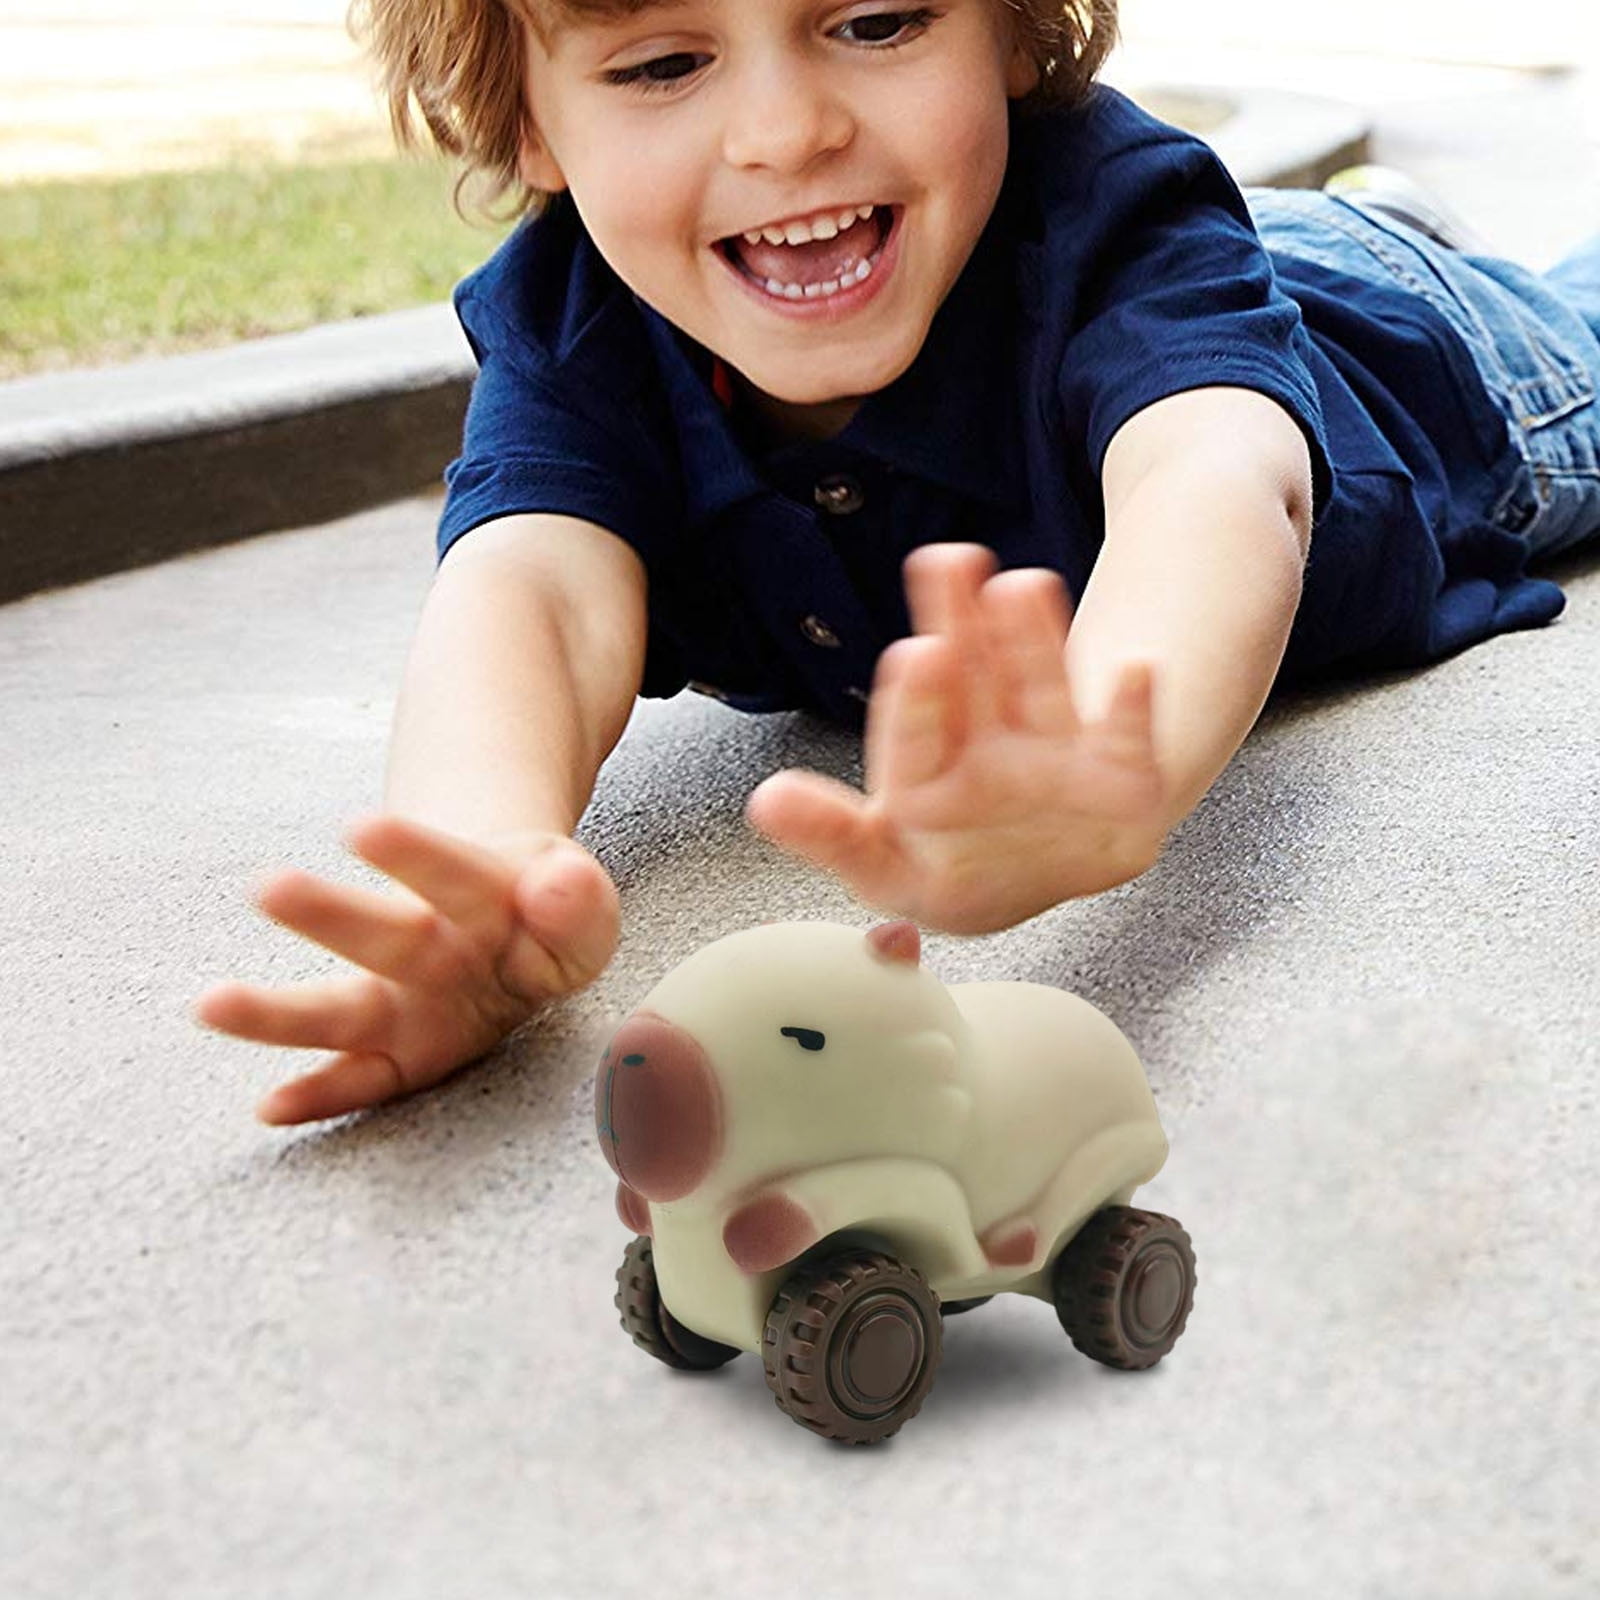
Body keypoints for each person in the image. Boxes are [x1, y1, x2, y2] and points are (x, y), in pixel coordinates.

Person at [195, 0, 1600, 1125]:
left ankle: (1407, 231)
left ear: (1016, 30)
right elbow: (533, 593)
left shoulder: (1109, 216)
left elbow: (1215, 481)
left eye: (875, 23)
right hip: (1260, 265)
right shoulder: (578, 326)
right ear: (523, 124)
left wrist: (1128, 750)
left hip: (1432, 354)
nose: (789, 131)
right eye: (664, 60)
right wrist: (483, 866)